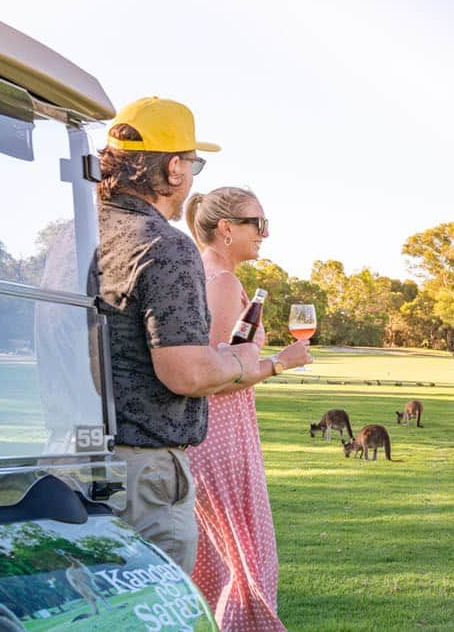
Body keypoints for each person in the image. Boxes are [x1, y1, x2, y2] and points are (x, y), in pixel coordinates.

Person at [92, 97, 310, 573]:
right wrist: (251, 357)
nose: (192, 174)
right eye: (193, 162)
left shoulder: (80, 233)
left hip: (81, 457)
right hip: (144, 468)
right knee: (158, 609)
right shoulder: (164, 245)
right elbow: (187, 373)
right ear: (173, 168)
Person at [184, 187, 301, 631]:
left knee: (220, 557)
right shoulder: (222, 282)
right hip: (222, 434)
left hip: (213, 434)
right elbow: (216, 376)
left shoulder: (207, 275)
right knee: (248, 559)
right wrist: (279, 362)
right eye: (259, 223)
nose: (265, 234)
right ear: (226, 229)